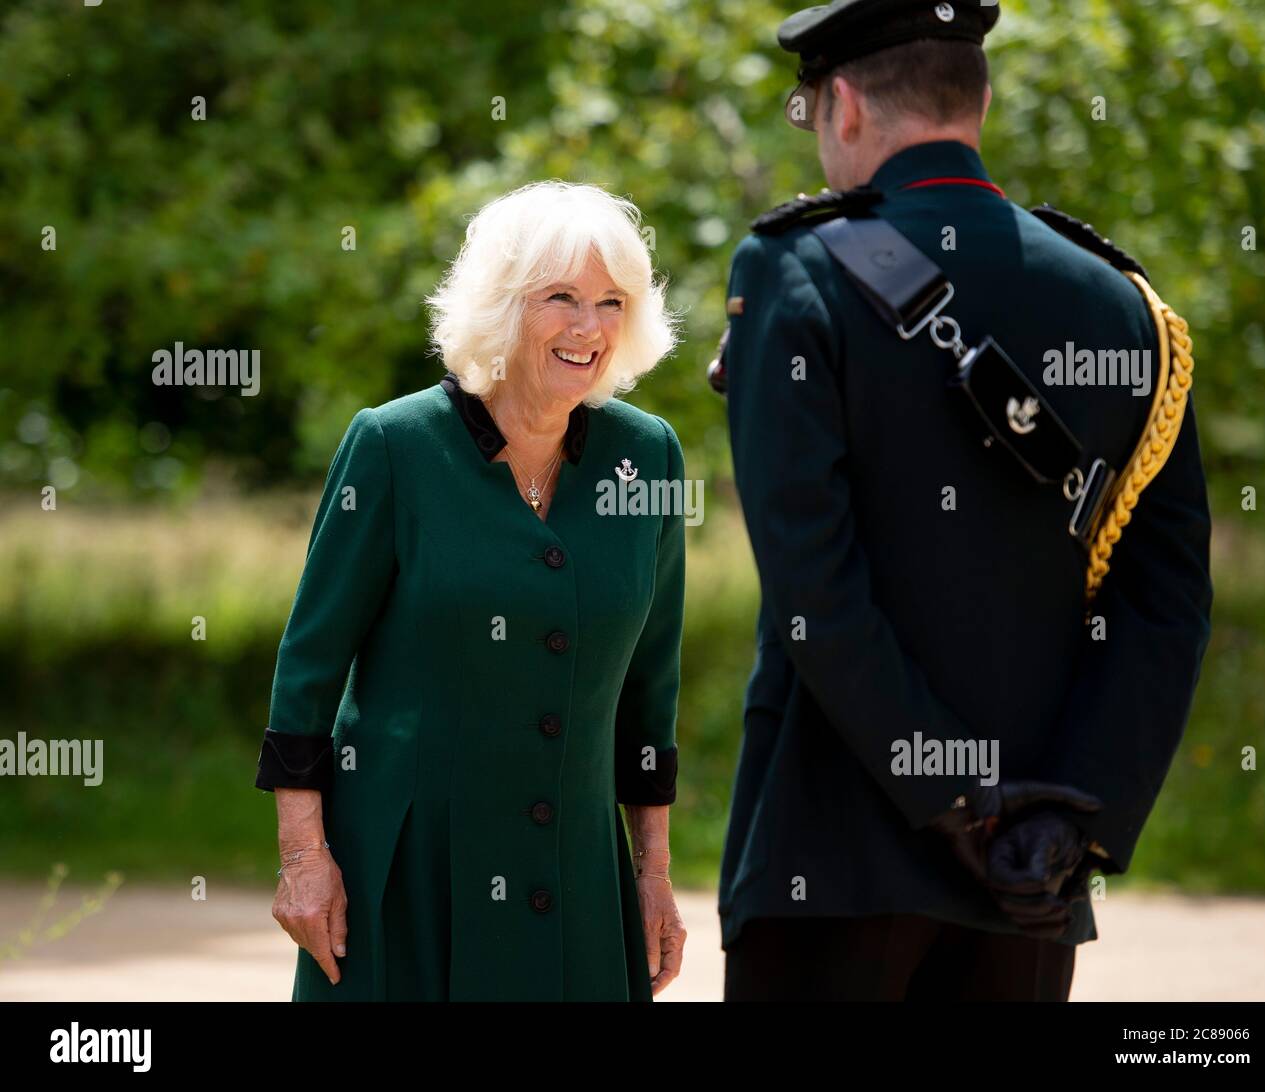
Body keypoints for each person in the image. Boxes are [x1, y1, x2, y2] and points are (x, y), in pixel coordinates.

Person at [715, 0, 1212, 1001]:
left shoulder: (796, 271)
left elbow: (816, 586)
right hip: (1028, 880)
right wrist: (1069, 820)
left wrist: (954, 796)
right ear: (978, 97)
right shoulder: (1121, 302)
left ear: (843, 106)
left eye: (806, 114)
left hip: (836, 858)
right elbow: (1163, 603)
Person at [253, 180, 689, 1001]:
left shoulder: (649, 458)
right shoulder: (392, 446)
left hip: (576, 875)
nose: (588, 327)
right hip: (411, 868)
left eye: (609, 301)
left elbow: (650, 689)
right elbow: (307, 675)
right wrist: (304, 859)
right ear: (501, 304)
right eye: (560, 297)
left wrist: (653, 871)